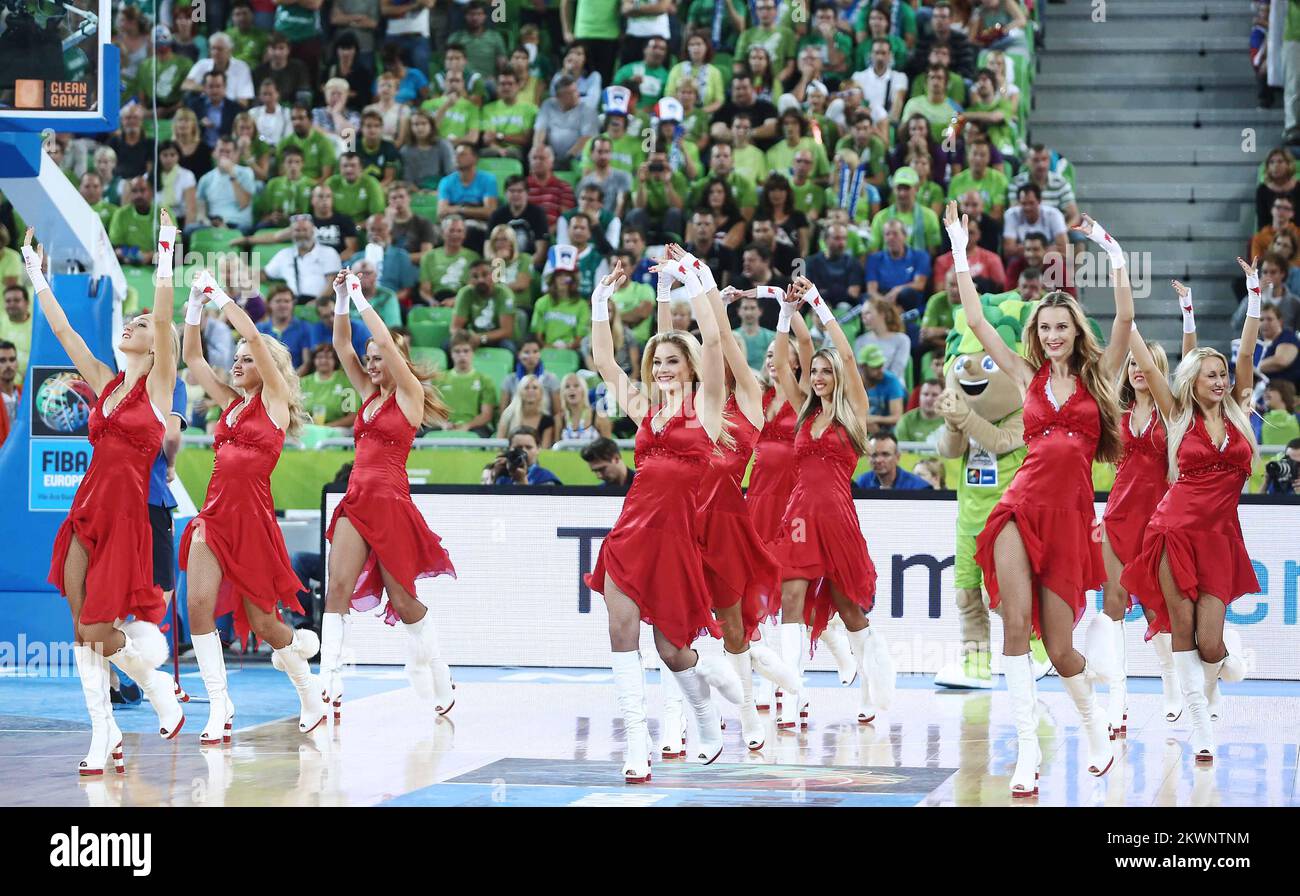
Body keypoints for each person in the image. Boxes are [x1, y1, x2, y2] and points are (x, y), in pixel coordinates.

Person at [950, 200, 1131, 797]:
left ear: (1075, 332)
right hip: (1018, 504)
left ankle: (1094, 728)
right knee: (1014, 623)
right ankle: (1027, 751)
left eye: (1062, 328)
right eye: (1045, 328)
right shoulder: (1026, 375)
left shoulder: (1098, 375)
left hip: (1072, 516)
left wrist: (1115, 257)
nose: (1052, 336)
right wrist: (959, 245)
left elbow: (1126, 323)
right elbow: (977, 323)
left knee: (1058, 647)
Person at [29, 215, 186, 772]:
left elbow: (165, 319)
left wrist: (165, 252)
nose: (134, 326)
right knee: (80, 626)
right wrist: (37, 277)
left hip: (127, 518)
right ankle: (104, 734)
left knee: (99, 627)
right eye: (132, 322)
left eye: (140, 324)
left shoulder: (160, 384)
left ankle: (157, 686)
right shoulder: (105, 380)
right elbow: (66, 333)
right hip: (86, 507)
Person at [585, 253, 735, 781]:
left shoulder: (710, 407)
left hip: (675, 543)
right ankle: (635, 744)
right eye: (658, 363)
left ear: (689, 367)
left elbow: (715, 342)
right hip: (629, 535)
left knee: (672, 650)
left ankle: (704, 715)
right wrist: (601, 300)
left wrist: (698, 281)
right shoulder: (645, 410)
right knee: (621, 635)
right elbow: (605, 362)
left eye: (672, 361)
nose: (663, 369)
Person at [654, 251, 800, 757]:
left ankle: (746, 714)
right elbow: (665, 347)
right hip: (680, 524)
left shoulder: (751, 405)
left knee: (734, 631)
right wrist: (666, 292)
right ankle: (674, 725)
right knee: (675, 628)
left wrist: (705, 282)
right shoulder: (691, 404)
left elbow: (725, 343)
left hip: (725, 524)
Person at [1121, 256, 1262, 765]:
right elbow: (1136, 342)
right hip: (1172, 531)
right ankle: (1201, 726)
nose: (1220, 380)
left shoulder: (1241, 408)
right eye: (1210, 375)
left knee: (1210, 643)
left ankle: (1222, 670)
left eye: (1223, 374)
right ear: (1192, 381)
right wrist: (1120, 276)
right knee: (1182, 631)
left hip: (1221, 537)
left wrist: (1254, 290)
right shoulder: (1177, 413)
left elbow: (1246, 348)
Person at [179, 271, 320, 744]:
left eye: (245, 360)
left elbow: (254, 335)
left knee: (263, 622)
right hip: (213, 517)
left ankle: (309, 692)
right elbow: (192, 356)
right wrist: (195, 304)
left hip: (253, 521)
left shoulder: (275, 402)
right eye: (235, 360)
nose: (237, 364)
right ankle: (220, 705)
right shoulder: (228, 405)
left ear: (267, 367)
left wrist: (219, 293)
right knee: (197, 604)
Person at [322, 270, 458, 720]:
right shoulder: (366, 393)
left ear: (398, 360)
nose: (373, 362)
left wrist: (364, 300)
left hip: (392, 502)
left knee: (402, 601)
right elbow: (343, 346)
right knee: (337, 587)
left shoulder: (410, 395)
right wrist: (342, 299)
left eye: (381, 357)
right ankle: (329, 681)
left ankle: (438, 669)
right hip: (356, 498)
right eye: (370, 358)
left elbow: (380, 340)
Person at [768, 275, 895, 729]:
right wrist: (785, 312)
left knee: (849, 608)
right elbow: (783, 366)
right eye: (814, 371)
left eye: (824, 371)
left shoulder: (854, 411)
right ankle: (791, 694)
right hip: (799, 515)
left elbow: (844, 353)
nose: (817, 377)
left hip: (838, 516)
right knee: (791, 599)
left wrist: (819, 302)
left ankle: (871, 685)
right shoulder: (804, 408)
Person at [1097, 280, 1199, 735]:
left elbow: (1191, 363)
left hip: (1159, 521)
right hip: (1117, 516)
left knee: (1158, 607)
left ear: (1159, 371)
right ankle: (1117, 699)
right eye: (1134, 363)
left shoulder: (1172, 413)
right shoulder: (1115, 417)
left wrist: (1186, 314)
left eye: (1147, 364)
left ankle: (1170, 681)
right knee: (1113, 604)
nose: (1139, 368)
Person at [436, 330, 499, 436]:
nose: (462, 355)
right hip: (446, 425)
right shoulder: (439, 379)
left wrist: (467, 426)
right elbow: (430, 411)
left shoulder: (484, 380)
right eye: (457, 351)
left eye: (466, 351)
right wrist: (442, 424)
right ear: (451, 354)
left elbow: (486, 414)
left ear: (473, 353)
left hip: (474, 427)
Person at [487, 425, 563, 484]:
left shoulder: (547, 479)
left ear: (538, 449)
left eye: (528, 447)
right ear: (509, 449)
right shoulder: (502, 475)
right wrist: (494, 476)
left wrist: (521, 481)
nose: (523, 451)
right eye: (518, 447)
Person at [855, 433, 932, 489]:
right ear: (868, 457)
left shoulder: (919, 487)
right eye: (874, 455)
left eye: (885, 454)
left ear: (897, 457)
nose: (878, 460)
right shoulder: (861, 483)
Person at [894, 378, 946, 444]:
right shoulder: (905, 421)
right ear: (919, 397)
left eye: (934, 395)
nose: (929, 399)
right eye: (925, 394)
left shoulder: (951, 421)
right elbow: (902, 452)